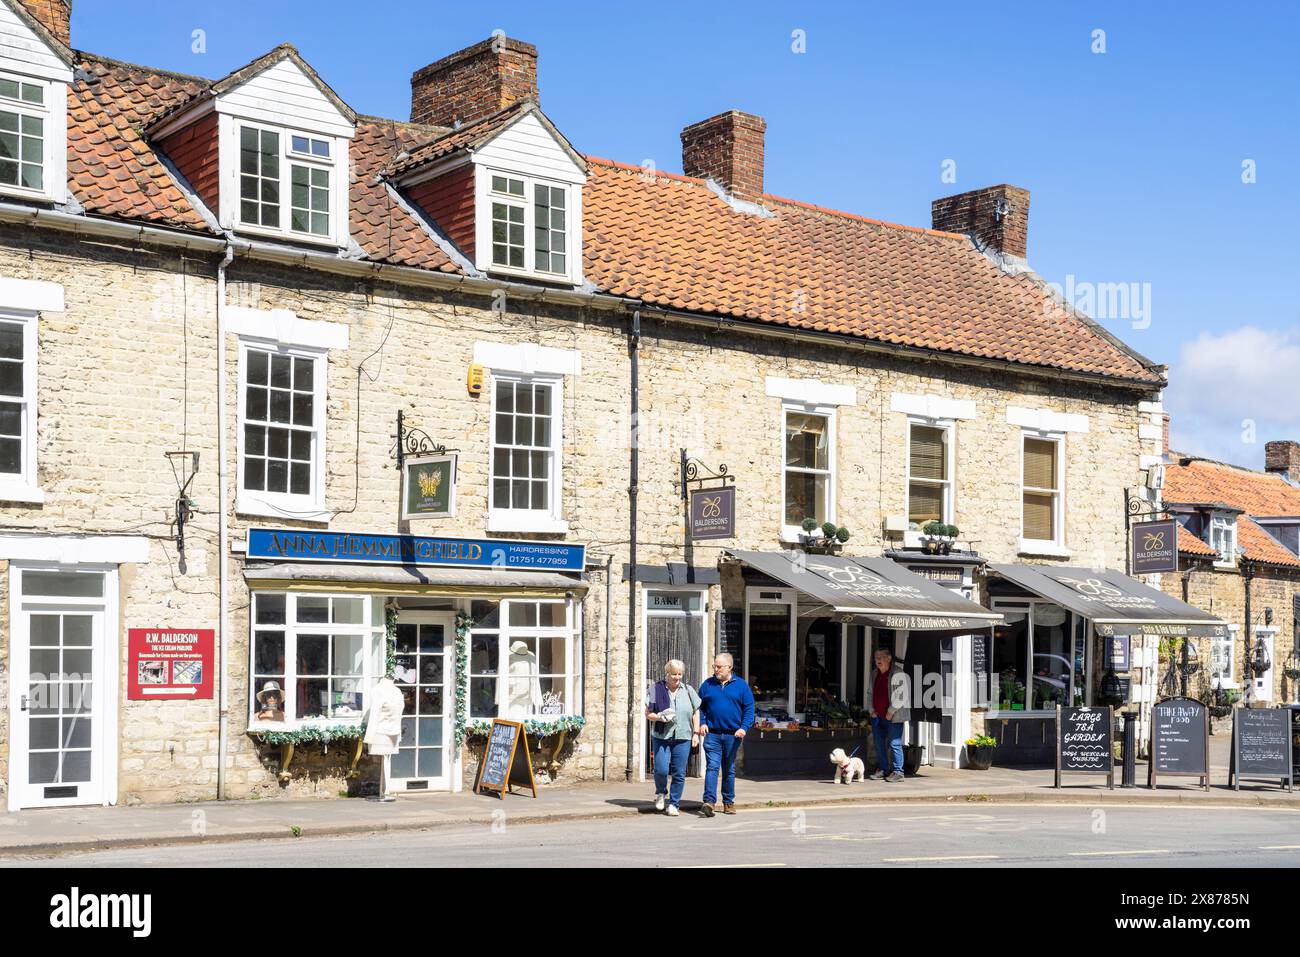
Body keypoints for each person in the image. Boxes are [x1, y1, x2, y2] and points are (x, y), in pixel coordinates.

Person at [697, 653, 755, 817]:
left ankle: (728, 802)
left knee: (729, 769)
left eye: (719, 666)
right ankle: (709, 802)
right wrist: (702, 722)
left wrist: (743, 727)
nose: (715, 669)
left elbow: (749, 709)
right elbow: (700, 706)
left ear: (729, 667)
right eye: (714, 666)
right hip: (713, 734)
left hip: (732, 735)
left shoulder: (742, 686)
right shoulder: (707, 685)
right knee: (712, 767)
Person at [643, 659, 701, 816]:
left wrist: (696, 733)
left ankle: (674, 803)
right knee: (661, 769)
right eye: (674, 674)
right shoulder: (656, 689)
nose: (677, 677)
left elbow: (696, 712)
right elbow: (648, 713)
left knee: (679, 772)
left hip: (684, 736)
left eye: (680, 674)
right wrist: (660, 717)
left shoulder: (688, 690)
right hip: (662, 736)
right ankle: (661, 793)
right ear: (667, 674)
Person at [867, 648, 911, 782]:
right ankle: (883, 769)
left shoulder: (897, 673)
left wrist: (891, 711)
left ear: (889, 658)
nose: (878, 660)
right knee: (879, 744)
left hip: (894, 716)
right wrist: (871, 709)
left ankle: (898, 772)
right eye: (876, 658)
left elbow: (901, 695)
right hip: (877, 716)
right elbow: (870, 693)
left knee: (894, 743)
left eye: (881, 657)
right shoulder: (874, 673)